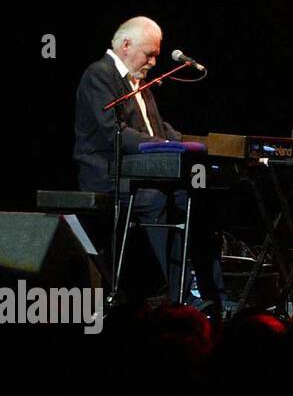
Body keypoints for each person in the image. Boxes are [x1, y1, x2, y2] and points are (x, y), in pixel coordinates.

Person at [73, 16, 223, 311]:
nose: (154, 61)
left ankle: (211, 294)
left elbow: (158, 129)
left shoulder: (139, 81)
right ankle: (173, 295)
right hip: (106, 173)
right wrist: (164, 148)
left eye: (156, 54)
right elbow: (112, 133)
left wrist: (197, 144)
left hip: (142, 172)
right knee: (157, 199)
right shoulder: (99, 75)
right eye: (150, 53)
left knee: (197, 198)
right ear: (126, 45)